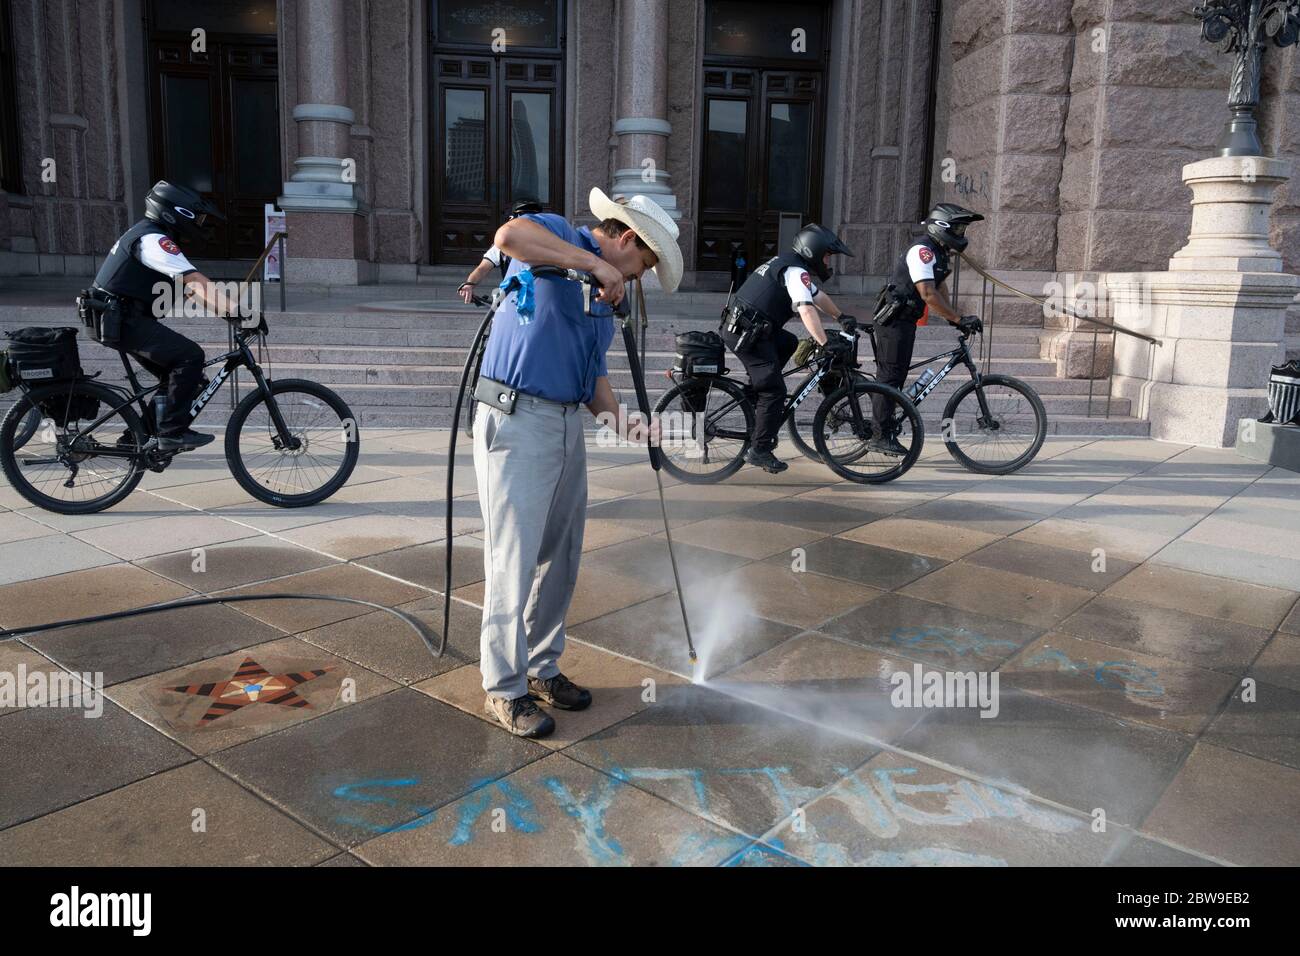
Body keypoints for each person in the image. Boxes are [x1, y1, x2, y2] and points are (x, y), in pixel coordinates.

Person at [474, 187, 682, 738]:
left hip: (565, 422)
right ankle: (505, 686)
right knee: (512, 557)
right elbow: (510, 237)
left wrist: (622, 422)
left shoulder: (602, 304)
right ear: (628, 239)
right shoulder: (563, 236)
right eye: (641, 267)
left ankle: (541, 667)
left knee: (560, 554)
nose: (635, 279)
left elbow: (594, 379)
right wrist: (592, 263)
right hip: (517, 417)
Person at [91, 181, 236, 453]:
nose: (202, 225)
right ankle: (171, 432)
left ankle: (139, 438)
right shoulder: (154, 239)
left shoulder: (150, 235)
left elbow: (191, 291)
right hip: (121, 319)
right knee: (189, 356)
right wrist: (242, 313)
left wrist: (227, 312)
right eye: (199, 218)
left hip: (119, 318)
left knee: (184, 377)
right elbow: (194, 282)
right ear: (176, 213)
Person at [720, 224, 857, 473]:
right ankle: (759, 450)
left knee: (789, 342)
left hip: (750, 329)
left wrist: (841, 316)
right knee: (774, 391)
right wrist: (825, 343)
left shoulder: (792, 265)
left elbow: (817, 296)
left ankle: (756, 395)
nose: (827, 260)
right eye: (827, 255)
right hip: (746, 334)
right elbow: (806, 308)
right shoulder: (795, 270)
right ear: (813, 251)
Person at [872, 203, 985, 455]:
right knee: (890, 378)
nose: (961, 233)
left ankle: (886, 425)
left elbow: (940, 287)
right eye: (957, 228)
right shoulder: (923, 250)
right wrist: (957, 318)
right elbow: (927, 292)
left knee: (896, 377)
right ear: (941, 227)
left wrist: (955, 316)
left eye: (962, 228)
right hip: (893, 322)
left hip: (906, 321)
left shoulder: (939, 251)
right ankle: (879, 435)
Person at [457, 200, 544, 303]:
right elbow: (482, 268)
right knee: (497, 315)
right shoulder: (503, 245)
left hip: (541, 297)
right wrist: (469, 284)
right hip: (510, 296)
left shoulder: (549, 243)